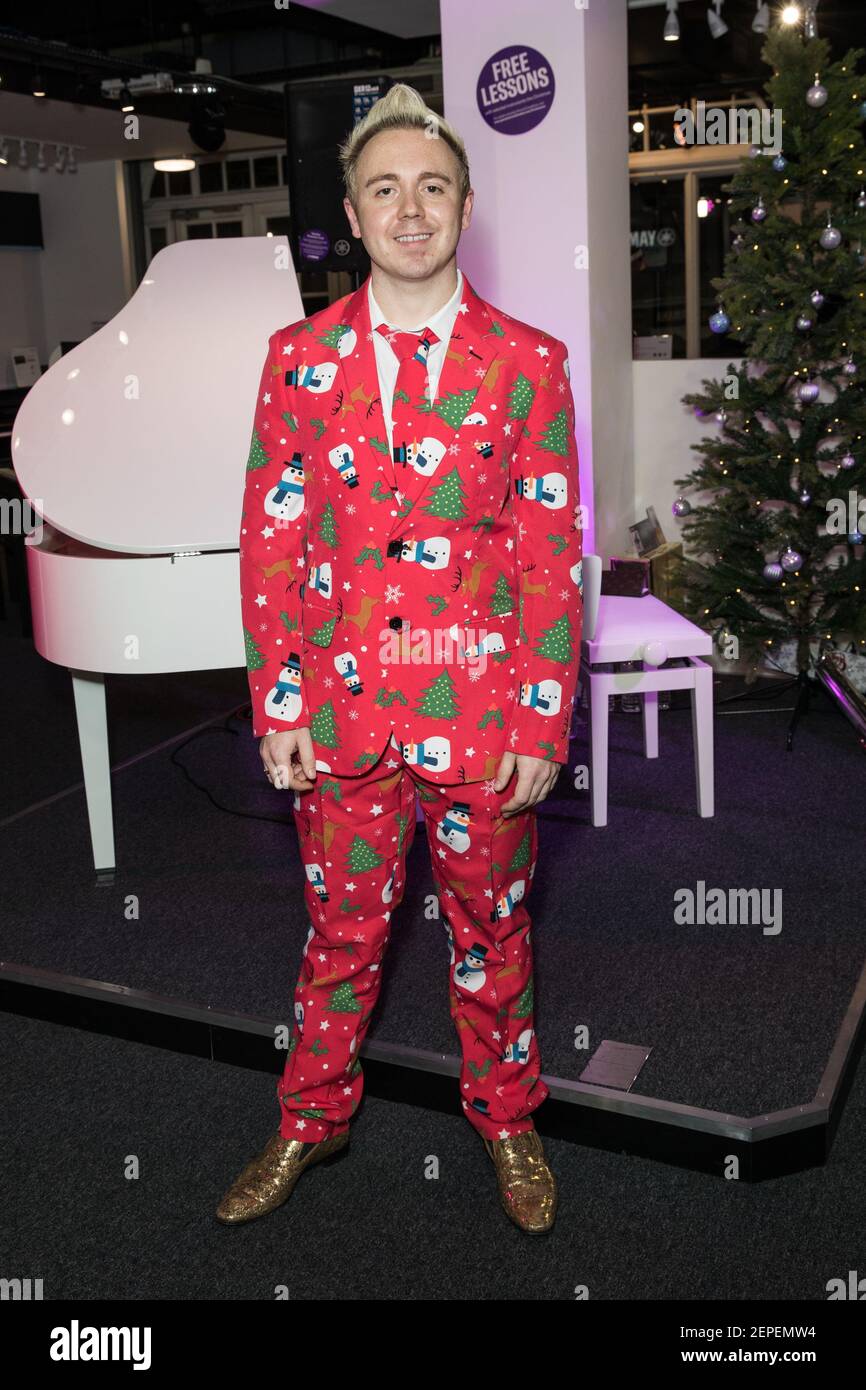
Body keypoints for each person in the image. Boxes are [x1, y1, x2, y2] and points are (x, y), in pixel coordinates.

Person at [218, 82, 583, 1234]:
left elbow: (546, 556)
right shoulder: (295, 359)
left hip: (481, 721)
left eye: (431, 187)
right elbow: (271, 541)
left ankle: (508, 1117)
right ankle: (308, 1118)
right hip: (339, 720)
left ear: (463, 207)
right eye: (385, 189)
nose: (408, 208)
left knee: (492, 937)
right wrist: (278, 701)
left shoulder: (528, 362)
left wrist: (538, 721)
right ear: (353, 210)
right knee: (340, 937)